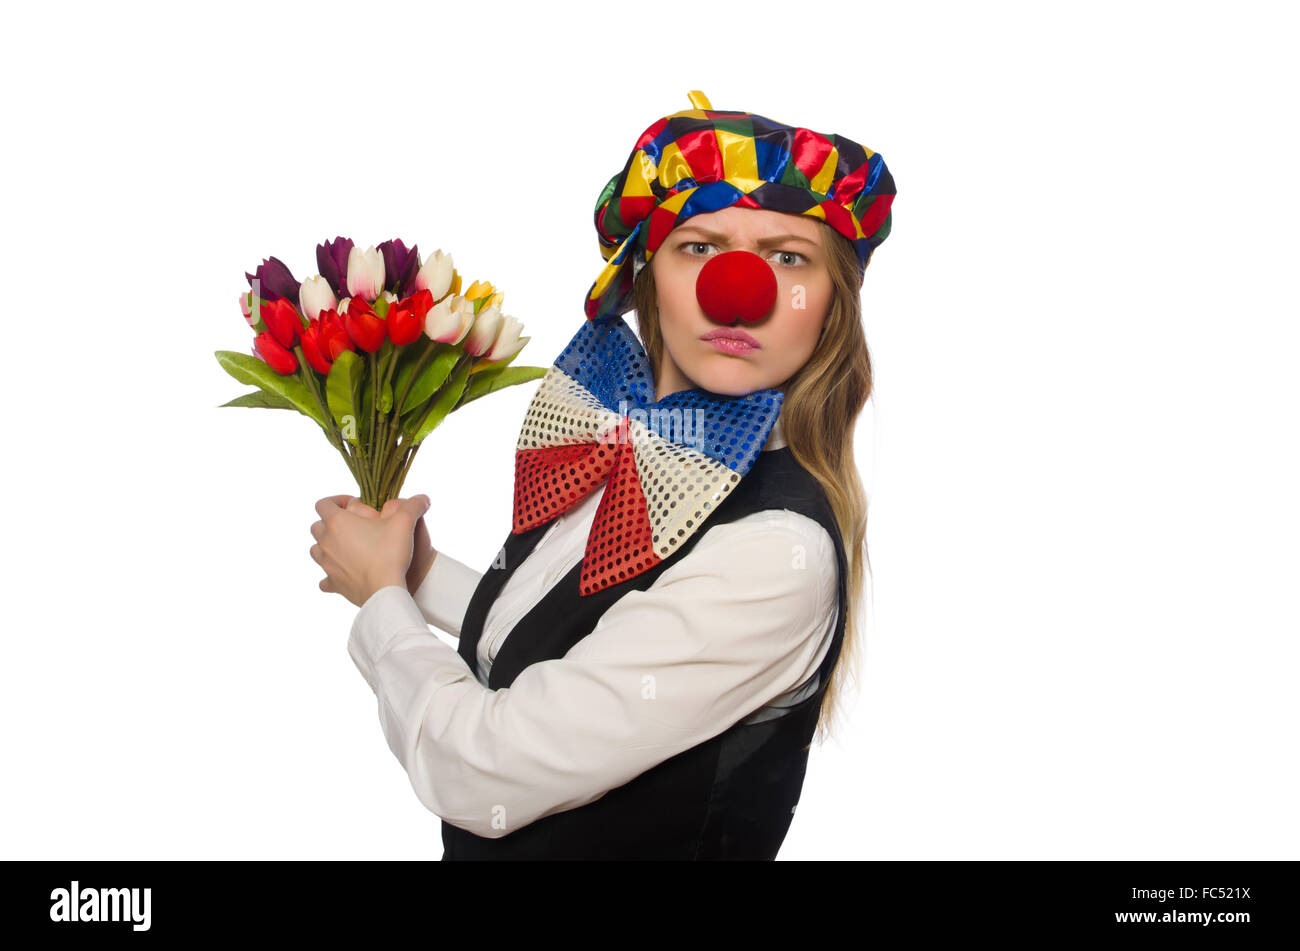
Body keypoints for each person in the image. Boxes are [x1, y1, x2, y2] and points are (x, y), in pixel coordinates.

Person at [309, 90, 896, 859]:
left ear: (830, 303)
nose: (738, 292)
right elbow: (569, 643)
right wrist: (415, 572)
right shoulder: (626, 440)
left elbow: (483, 768)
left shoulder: (775, 550)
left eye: (787, 258)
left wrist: (384, 604)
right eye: (699, 246)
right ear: (646, 276)